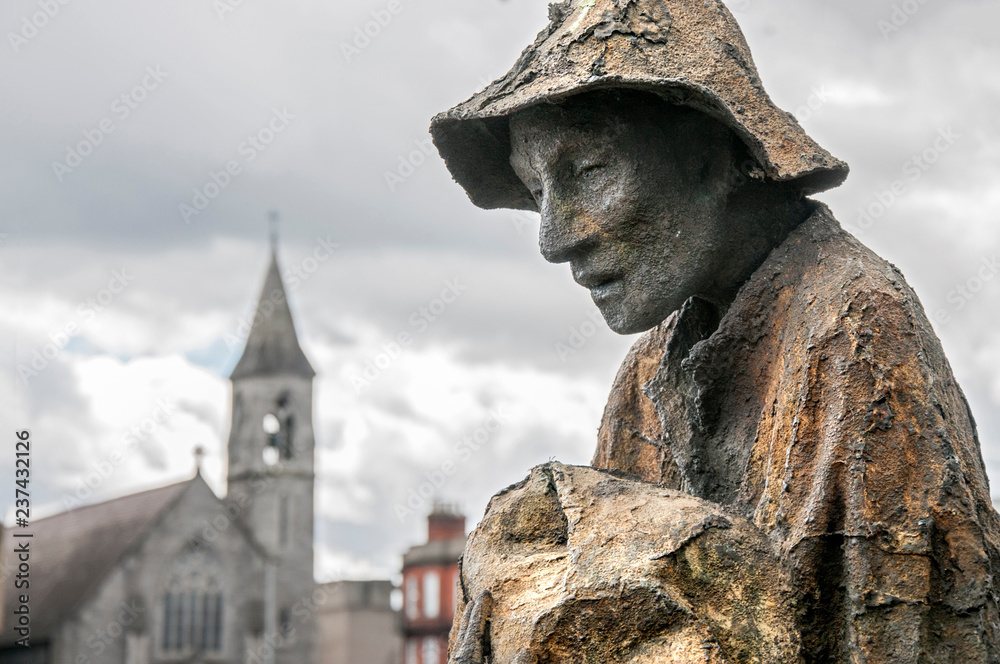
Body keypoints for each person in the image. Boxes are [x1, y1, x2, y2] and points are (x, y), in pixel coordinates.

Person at [431, 0, 1000, 661]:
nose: (554, 239)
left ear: (706, 150)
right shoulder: (648, 372)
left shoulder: (856, 332)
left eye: (589, 172)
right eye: (536, 194)